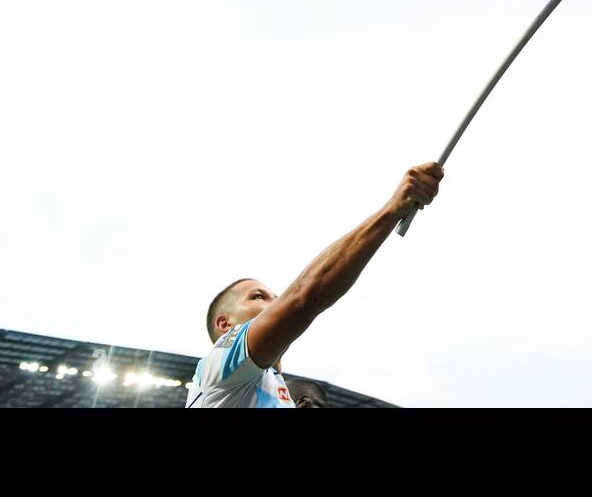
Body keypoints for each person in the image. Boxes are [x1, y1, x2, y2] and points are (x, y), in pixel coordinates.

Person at [186, 162, 444, 408]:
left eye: (276, 298)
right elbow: (303, 298)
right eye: (257, 296)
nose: (276, 303)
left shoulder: (264, 389)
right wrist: (392, 210)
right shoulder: (220, 364)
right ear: (225, 324)